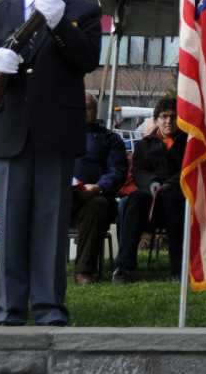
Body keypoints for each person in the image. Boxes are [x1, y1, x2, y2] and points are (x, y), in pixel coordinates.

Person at [0, 0, 101, 326]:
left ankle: (48, 308)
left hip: (54, 134)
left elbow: (87, 60)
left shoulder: (80, 10)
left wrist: (62, 24)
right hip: (10, 130)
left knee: (50, 225)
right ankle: (9, 310)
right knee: (11, 228)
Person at [113, 96, 187, 283]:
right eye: (163, 117)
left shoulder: (187, 144)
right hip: (149, 197)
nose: (168, 121)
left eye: (172, 116)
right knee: (134, 201)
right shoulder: (144, 145)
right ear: (156, 120)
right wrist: (152, 183)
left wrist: (169, 184)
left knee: (173, 199)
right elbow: (139, 171)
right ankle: (124, 268)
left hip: (176, 197)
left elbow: (188, 169)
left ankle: (178, 268)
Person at [71, 94, 127, 284]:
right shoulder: (59, 135)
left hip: (94, 197)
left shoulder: (110, 139)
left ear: (96, 112)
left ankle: (84, 271)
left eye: (87, 108)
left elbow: (117, 170)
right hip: (62, 195)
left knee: (97, 205)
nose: (83, 111)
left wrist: (99, 186)